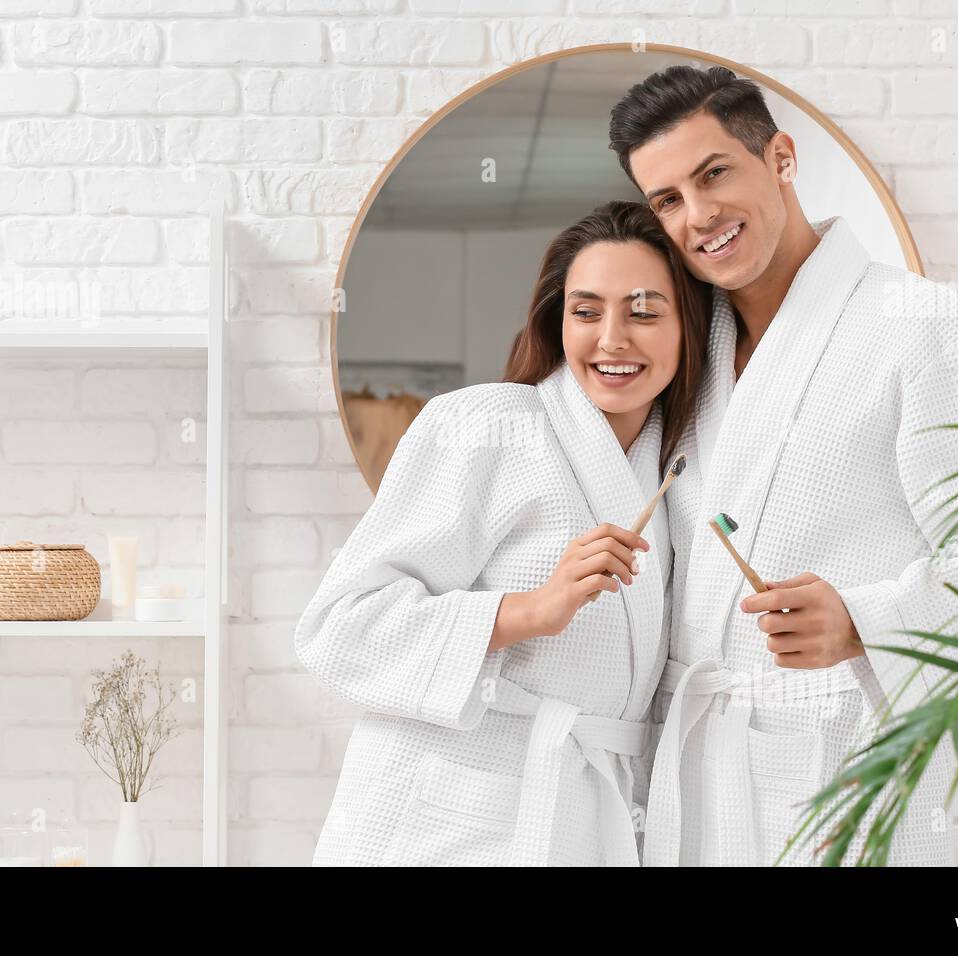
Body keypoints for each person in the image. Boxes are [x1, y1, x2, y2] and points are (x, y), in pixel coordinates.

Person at [607, 65, 958, 866]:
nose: (699, 216)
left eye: (714, 173)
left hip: (844, 774)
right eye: (668, 200)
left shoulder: (919, 326)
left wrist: (863, 620)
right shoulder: (688, 349)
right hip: (694, 781)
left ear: (781, 156)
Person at [294, 200, 710, 865]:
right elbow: (339, 628)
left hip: (594, 823)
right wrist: (529, 611)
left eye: (643, 311)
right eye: (586, 310)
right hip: (451, 822)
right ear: (558, 319)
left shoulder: (682, 472)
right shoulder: (483, 426)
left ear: (690, 327)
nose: (612, 339)